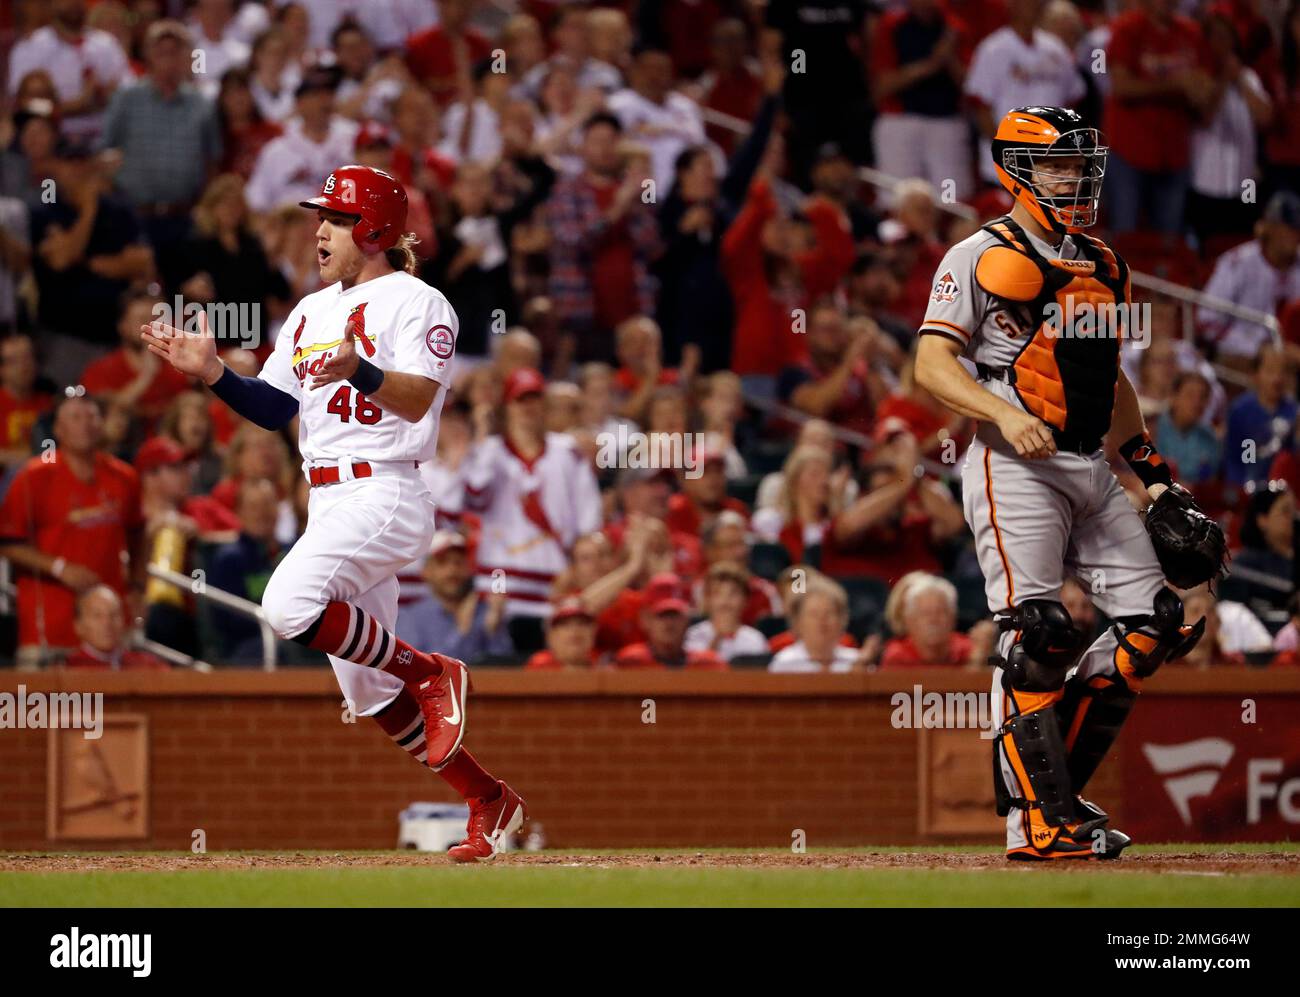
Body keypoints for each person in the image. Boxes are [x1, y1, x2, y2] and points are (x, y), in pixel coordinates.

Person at [140, 163, 524, 862]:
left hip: (385, 487)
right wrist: (213, 372)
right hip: (328, 499)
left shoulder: (420, 301)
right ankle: (487, 798)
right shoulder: (311, 311)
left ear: (374, 228)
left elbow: (414, 401)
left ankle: (431, 670)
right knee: (371, 693)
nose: (319, 229)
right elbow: (276, 409)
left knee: (286, 607)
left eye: (337, 218)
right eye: (321, 216)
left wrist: (360, 370)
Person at [913, 106, 1225, 860]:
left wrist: (1149, 470)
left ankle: (1057, 798)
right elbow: (930, 363)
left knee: (1163, 620)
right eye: (1058, 164)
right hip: (1013, 461)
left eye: (1082, 165)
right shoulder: (976, 254)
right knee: (1040, 632)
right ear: (1015, 169)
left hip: (1089, 462)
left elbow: (1108, 378)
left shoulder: (1104, 262)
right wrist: (997, 412)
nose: (1075, 178)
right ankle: (1036, 823)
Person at [0, 392, 142, 668]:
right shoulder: (33, 477)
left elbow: (138, 532)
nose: (85, 425)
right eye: (75, 417)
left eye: (91, 416)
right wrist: (59, 568)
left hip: (108, 631)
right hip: (49, 630)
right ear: (58, 428)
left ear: (101, 424)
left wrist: (137, 586)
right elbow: (6, 542)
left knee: (115, 709)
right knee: (42, 710)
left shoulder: (124, 477)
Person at [460, 366, 603, 622]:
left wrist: (576, 567)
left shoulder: (568, 452)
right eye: (519, 399)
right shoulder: (490, 450)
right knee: (495, 659)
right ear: (507, 406)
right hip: (497, 584)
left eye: (534, 398)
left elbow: (589, 521)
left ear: (545, 404)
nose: (527, 407)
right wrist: (483, 436)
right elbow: (475, 499)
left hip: (554, 582)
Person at [396, 530, 514, 664]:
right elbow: (416, 670)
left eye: (459, 562)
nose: (452, 570)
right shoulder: (410, 619)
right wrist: (462, 631)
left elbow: (506, 673)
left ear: (470, 569)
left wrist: (495, 629)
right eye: (442, 562)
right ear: (426, 572)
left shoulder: (483, 611)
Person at [613, 573, 727, 670]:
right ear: (646, 619)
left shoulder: (706, 665)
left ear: (686, 619)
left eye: (674, 614)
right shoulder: (630, 663)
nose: (669, 623)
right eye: (661, 615)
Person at [768, 575, 873, 673]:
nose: (822, 621)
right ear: (797, 622)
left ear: (842, 620)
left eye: (829, 613)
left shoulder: (858, 662)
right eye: (814, 614)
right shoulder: (784, 664)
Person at [61, 585, 169, 671]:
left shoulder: (147, 665)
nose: (107, 623)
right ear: (78, 626)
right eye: (97, 616)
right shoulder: (68, 669)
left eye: (114, 615)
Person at [683, 562, 769, 662]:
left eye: (733, 593)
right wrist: (718, 637)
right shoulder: (693, 635)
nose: (725, 601)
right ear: (707, 600)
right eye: (717, 593)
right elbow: (695, 673)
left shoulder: (756, 639)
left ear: (745, 600)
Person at [525, 597, 601, 670]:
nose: (575, 630)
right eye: (565, 625)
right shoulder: (540, 666)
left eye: (582, 623)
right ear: (551, 636)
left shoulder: (603, 665)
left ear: (593, 632)